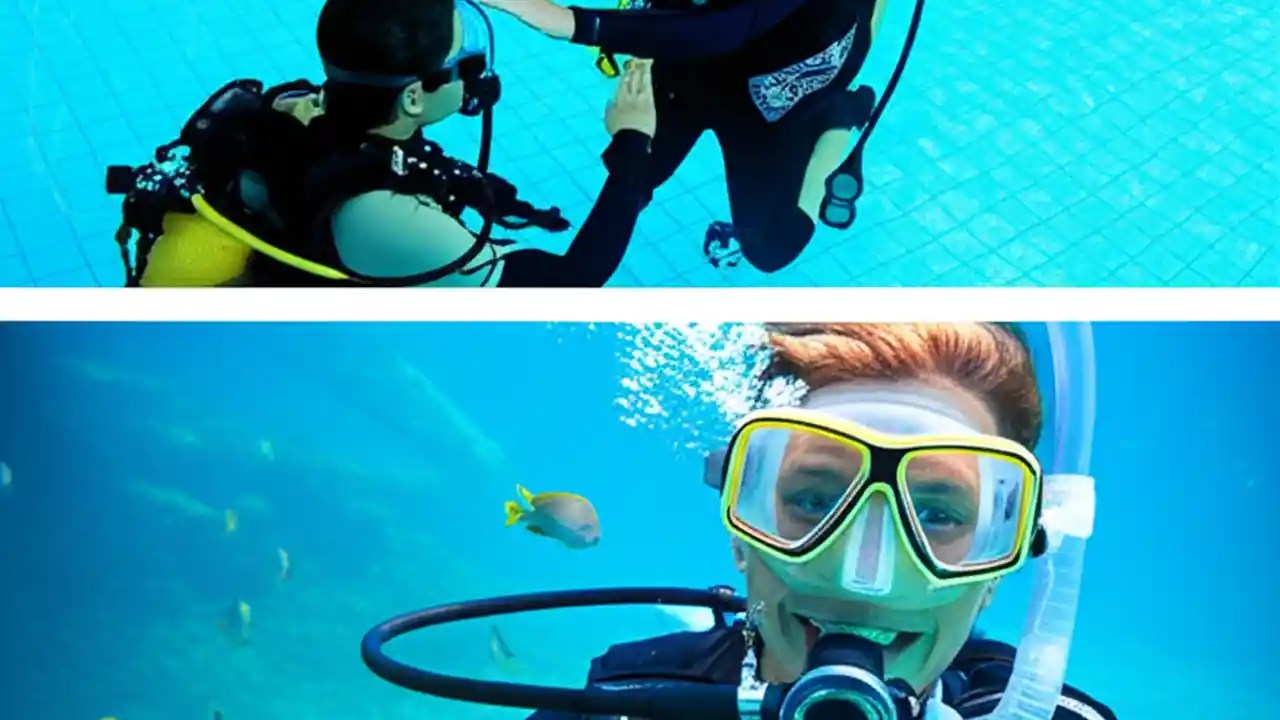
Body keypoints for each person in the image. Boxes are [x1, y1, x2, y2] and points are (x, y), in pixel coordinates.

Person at [521, 324, 1115, 719]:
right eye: (814, 501)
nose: (864, 577)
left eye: (936, 515)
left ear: (995, 570)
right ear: (741, 534)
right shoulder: (627, 702)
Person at [105, 0, 656, 288]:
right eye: (464, 62)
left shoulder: (303, 102)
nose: (476, 72)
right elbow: (573, 280)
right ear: (415, 97)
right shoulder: (382, 218)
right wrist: (634, 141)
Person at [479, 0, 895, 273]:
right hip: (693, 69)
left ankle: (837, 124)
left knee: (771, 247)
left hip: (776, 97)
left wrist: (576, 23)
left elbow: (734, 22)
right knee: (634, 168)